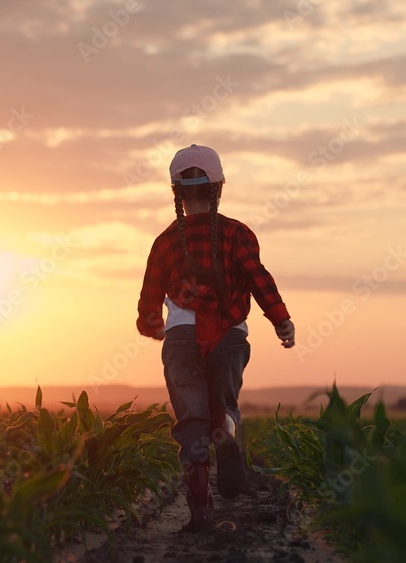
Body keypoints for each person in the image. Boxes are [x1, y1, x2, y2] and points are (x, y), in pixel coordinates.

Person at [136, 144, 296, 533]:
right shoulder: (238, 233)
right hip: (228, 337)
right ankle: (224, 426)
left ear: (176, 191)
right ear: (219, 187)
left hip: (181, 339)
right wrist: (281, 320)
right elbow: (259, 278)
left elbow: (148, 301)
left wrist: (154, 325)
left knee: (190, 421)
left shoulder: (164, 241)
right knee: (223, 405)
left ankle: (201, 511)